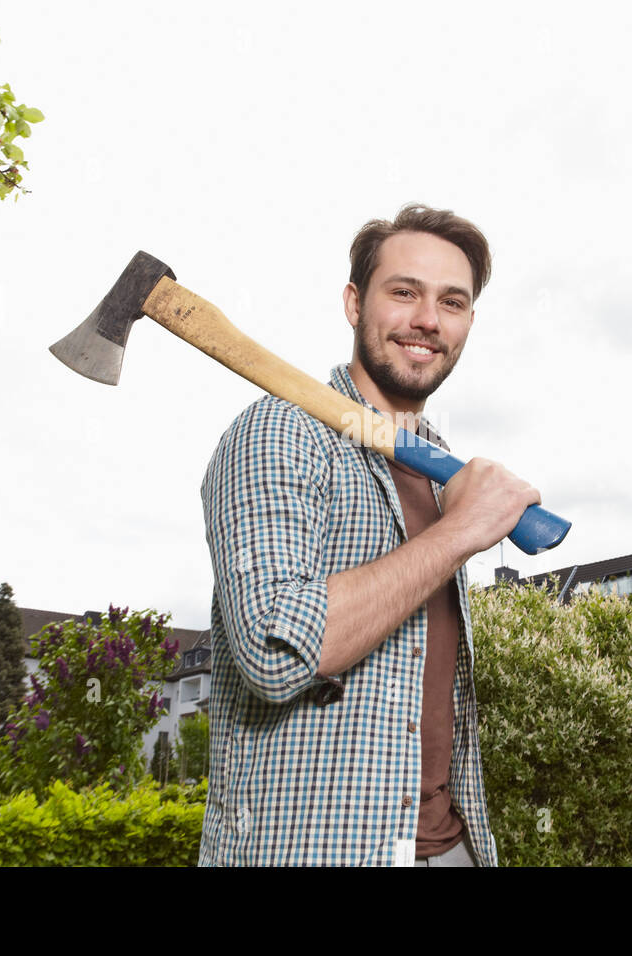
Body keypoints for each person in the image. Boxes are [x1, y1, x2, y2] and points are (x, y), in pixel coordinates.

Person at [197, 203, 540, 866]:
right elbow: (275, 650)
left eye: (453, 302)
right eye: (403, 292)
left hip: (451, 848)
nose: (427, 321)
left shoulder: (443, 469)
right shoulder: (279, 433)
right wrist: (462, 531)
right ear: (355, 303)